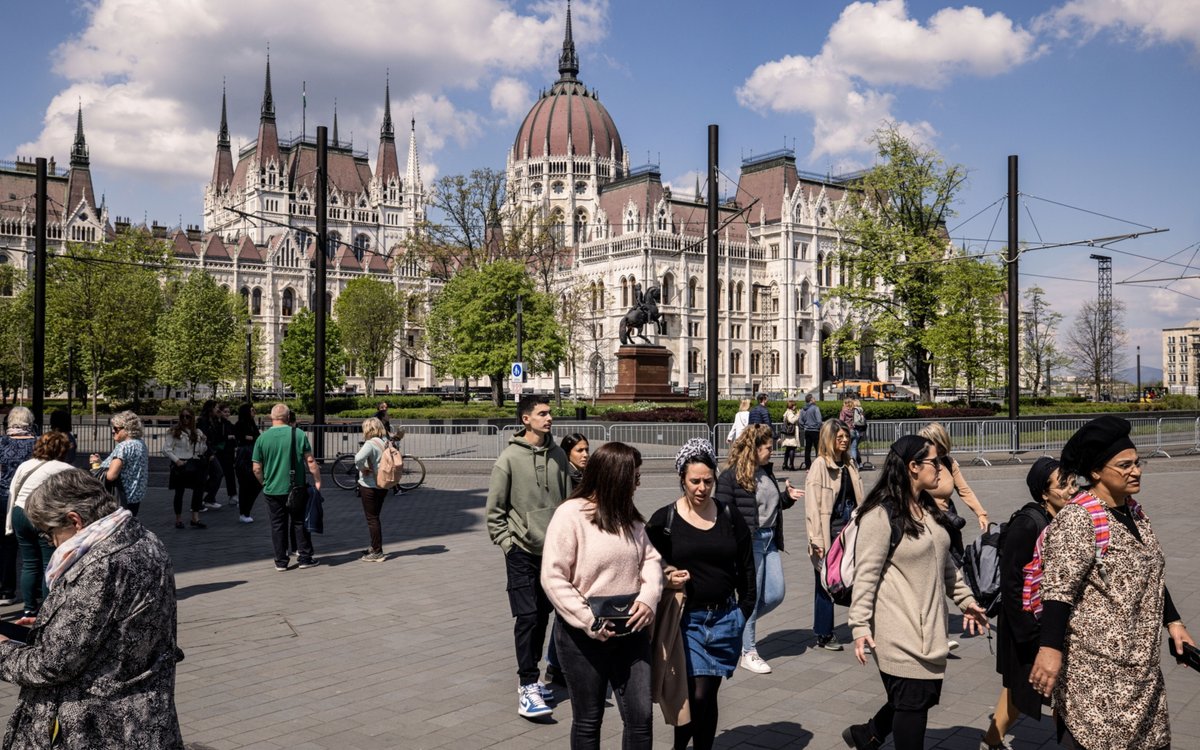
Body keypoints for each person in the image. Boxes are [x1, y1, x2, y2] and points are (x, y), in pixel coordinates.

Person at [1029, 416, 1194, 750]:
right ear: (1095, 472)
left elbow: (1150, 574)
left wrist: (1173, 621)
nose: (1136, 471)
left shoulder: (1133, 512)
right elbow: (1058, 591)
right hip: (1095, 672)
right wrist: (1049, 649)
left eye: (1137, 462)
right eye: (1124, 465)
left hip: (1141, 670)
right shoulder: (1078, 518)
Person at [0, 469, 183, 748]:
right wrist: (54, 622)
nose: (50, 543)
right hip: (143, 716)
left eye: (49, 534)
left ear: (74, 520)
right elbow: (112, 623)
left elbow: (52, 666)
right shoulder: (143, 538)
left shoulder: (101, 565)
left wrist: (3, 649)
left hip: (96, 726)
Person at [843, 434, 989, 750]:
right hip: (897, 632)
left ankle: (866, 735)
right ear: (912, 466)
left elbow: (946, 565)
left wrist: (967, 601)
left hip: (929, 632)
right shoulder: (881, 516)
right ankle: (869, 735)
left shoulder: (929, 510)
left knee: (913, 700)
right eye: (934, 462)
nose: (941, 467)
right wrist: (859, 627)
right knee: (912, 706)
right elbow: (865, 577)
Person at [541, 441, 662, 749]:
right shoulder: (571, 514)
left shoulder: (629, 518)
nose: (638, 482)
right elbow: (553, 576)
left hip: (631, 632)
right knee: (588, 718)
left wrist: (648, 597)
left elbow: (651, 561)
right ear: (615, 476)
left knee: (640, 717)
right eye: (634, 476)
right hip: (583, 636)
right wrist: (587, 619)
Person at [647, 439, 755, 750]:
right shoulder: (664, 520)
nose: (702, 488)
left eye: (708, 481)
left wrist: (743, 611)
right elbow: (648, 565)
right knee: (696, 693)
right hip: (687, 621)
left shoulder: (729, 515)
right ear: (682, 479)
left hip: (725, 619)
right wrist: (668, 576)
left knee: (708, 693)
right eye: (694, 481)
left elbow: (748, 567)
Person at [485, 394, 572, 719]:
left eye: (549, 413)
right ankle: (526, 685)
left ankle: (536, 678)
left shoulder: (559, 455)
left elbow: (566, 502)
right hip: (521, 551)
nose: (549, 418)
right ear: (526, 419)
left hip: (553, 553)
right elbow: (494, 511)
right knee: (527, 617)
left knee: (544, 616)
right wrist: (509, 543)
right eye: (542, 413)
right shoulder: (508, 459)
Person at [979, 457, 1073, 750]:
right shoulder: (1027, 524)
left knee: (1026, 688)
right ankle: (992, 741)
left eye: (1073, 483)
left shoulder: (1062, 519)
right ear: (1044, 493)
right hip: (1025, 623)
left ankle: (991, 741)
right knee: (1027, 687)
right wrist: (1030, 633)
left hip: (1045, 621)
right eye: (1063, 485)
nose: (1071, 490)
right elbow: (1011, 584)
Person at [715, 424, 803, 674]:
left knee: (775, 593)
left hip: (770, 539)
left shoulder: (766, 471)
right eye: (767, 448)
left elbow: (771, 506)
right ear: (753, 449)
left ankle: (734, 625)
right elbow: (722, 514)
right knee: (751, 598)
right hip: (749, 542)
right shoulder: (731, 476)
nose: (772, 452)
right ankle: (748, 651)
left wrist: (787, 497)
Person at [804, 418, 864, 651]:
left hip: (851, 529)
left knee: (859, 579)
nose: (845, 440)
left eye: (846, 437)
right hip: (830, 531)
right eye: (839, 437)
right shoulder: (820, 465)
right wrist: (816, 539)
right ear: (829, 439)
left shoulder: (849, 463)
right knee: (825, 582)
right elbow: (812, 505)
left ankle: (863, 627)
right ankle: (824, 633)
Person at [6, 433, 73, 622]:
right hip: (44, 515)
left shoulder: (25, 465)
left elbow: (13, 491)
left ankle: (29, 609)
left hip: (20, 512)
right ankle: (46, 609)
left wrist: (9, 524)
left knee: (29, 563)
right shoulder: (66, 469)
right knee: (48, 564)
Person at [252, 404, 323, 571]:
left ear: (271, 418)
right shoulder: (297, 434)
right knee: (299, 522)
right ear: (289, 417)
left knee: (277, 524)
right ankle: (304, 557)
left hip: (272, 489)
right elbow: (310, 461)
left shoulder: (262, 438)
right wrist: (317, 480)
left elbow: (256, 468)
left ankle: (281, 561)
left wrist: (264, 482)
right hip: (295, 487)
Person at [0, 406, 38, 606]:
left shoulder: (2, 443)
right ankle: (36, 592)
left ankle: (6, 591)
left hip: (3, 497)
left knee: (6, 545)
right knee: (33, 546)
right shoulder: (38, 444)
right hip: (30, 499)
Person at [89, 410, 149, 517]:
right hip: (135, 497)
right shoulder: (141, 444)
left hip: (120, 499)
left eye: (116, 429)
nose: (113, 431)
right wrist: (102, 462)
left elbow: (112, 475)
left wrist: (97, 468)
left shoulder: (123, 447)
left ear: (127, 430)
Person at [353, 417, 392, 562]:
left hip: (369, 485)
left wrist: (362, 468)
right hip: (384, 484)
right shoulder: (385, 442)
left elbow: (358, 458)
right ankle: (374, 545)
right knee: (376, 516)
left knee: (372, 519)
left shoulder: (370, 444)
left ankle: (377, 551)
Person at [163, 408, 208, 530]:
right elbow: (166, 449)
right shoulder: (174, 431)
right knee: (179, 492)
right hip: (180, 463)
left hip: (195, 463)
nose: (185, 419)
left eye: (188, 417)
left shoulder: (197, 432)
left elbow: (201, 450)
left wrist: (203, 442)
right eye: (182, 416)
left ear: (192, 417)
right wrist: (177, 461)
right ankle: (178, 519)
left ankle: (195, 518)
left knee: (198, 491)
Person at [233, 403, 261, 523]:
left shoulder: (252, 424)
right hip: (244, 457)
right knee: (246, 484)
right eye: (252, 410)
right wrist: (250, 438)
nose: (254, 411)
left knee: (255, 483)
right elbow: (244, 437)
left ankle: (245, 508)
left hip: (251, 455)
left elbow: (256, 437)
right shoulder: (241, 424)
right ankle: (244, 512)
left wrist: (251, 437)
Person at [196, 400, 224, 510]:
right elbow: (203, 439)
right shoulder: (204, 421)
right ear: (210, 408)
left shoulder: (212, 420)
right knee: (217, 473)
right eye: (216, 407)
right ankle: (205, 498)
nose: (218, 409)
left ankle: (204, 497)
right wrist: (209, 453)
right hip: (206, 453)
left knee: (214, 474)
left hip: (210, 451)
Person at [215, 403, 238, 508]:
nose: (227, 414)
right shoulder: (218, 424)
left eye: (228, 412)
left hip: (228, 453)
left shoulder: (228, 424)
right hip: (220, 453)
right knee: (217, 475)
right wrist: (228, 437)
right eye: (225, 412)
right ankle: (209, 494)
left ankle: (232, 495)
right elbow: (217, 437)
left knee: (229, 475)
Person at [799, 393, 822, 470]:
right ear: (811, 400)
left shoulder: (803, 409)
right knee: (818, 448)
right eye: (814, 398)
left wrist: (805, 427)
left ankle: (808, 465)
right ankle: (819, 464)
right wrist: (818, 427)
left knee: (807, 449)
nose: (815, 400)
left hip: (807, 430)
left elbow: (800, 421)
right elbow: (819, 420)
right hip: (815, 430)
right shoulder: (815, 408)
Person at [838, 397, 863, 467]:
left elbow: (841, 421)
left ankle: (843, 463)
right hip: (854, 430)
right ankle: (855, 465)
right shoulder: (853, 410)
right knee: (853, 449)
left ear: (845, 403)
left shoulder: (843, 411)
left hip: (846, 431)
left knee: (844, 448)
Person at [779, 400, 801, 471]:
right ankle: (791, 465)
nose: (796, 406)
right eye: (795, 405)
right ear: (792, 406)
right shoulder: (790, 413)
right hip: (791, 434)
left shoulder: (787, 412)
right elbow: (792, 420)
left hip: (788, 434)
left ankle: (785, 464)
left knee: (788, 449)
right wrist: (798, 415)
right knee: (792, 448)